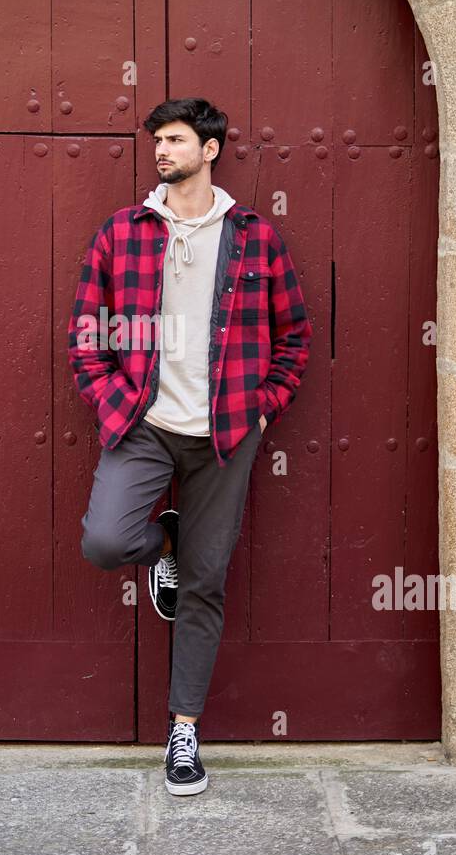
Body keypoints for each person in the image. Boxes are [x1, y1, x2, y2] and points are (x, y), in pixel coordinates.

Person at [67, 98, 312, 796]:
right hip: (144, 426)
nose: (161, 152)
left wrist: (262, 411)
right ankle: (160, 547)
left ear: (211, 149)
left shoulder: (255, 237)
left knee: (205, 583)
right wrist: (119, 407)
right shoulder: (123, 232)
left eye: (175, 140)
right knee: (106, 542)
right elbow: (88, 338)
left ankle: (184, 732)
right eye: (157, 141)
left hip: (225, 437)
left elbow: (294, 335)